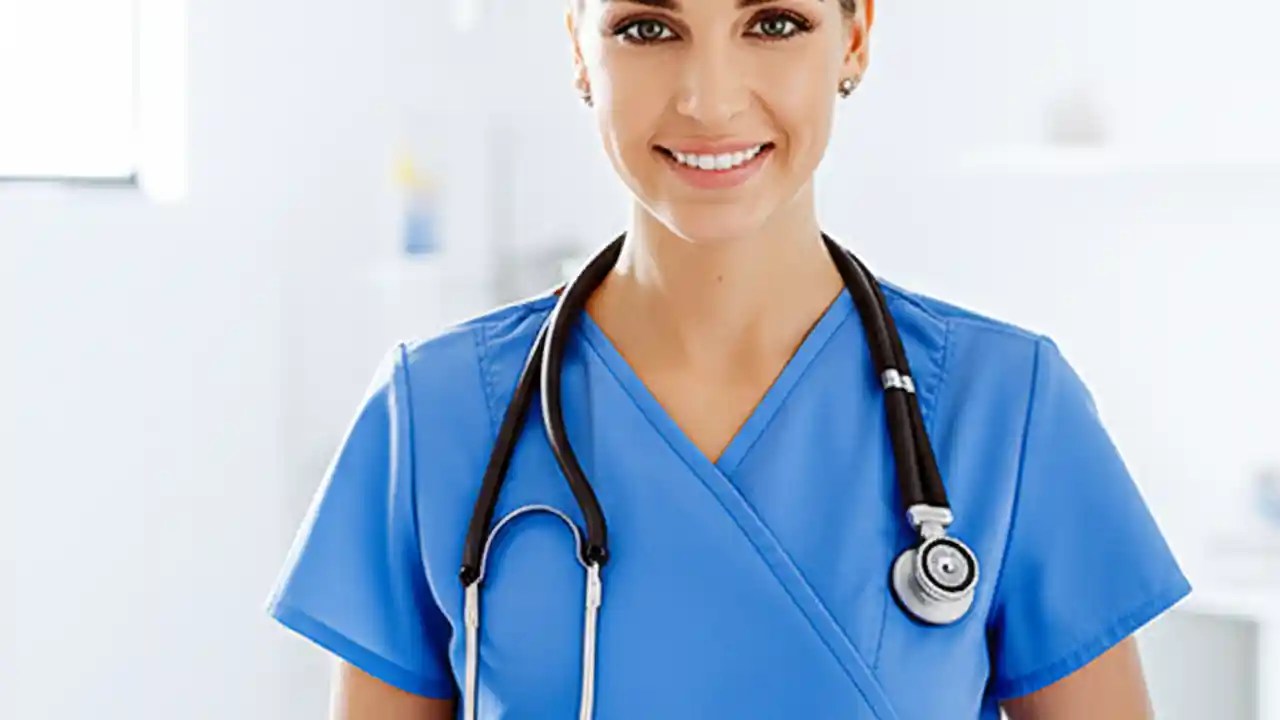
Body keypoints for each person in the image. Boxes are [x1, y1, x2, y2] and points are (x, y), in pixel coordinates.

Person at [264, 0, 1192, 717]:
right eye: (647, 27)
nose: (709, 98)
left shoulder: (1009, 411)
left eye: (773, 23)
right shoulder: (435, 418)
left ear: (855, 35)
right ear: (579, 49)